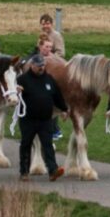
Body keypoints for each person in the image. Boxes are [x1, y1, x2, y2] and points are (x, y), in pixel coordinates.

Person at [14, 52, 66, 181]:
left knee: (48, 144)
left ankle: (53, 170)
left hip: (45, 120)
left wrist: (65, 109)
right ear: (32, 65)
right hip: (28, 119)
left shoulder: (49, 79)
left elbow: (57, 96)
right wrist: (17, 91)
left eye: (43, 65)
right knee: (26, 144)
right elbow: (12, 96)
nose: (41, 68)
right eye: (38, 66)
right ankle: (24, 171)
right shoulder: (22, 80)